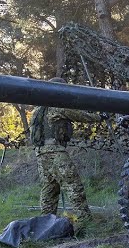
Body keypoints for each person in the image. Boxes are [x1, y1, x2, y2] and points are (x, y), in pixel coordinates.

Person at [31, 78, 105, 228]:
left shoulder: (38, 110)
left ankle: (46, 222)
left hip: (40, 153)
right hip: (56, 151)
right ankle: (85, 220)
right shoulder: (57, 106)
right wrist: (100, 117)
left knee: (49, 188)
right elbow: (80, 116)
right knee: (73, 185)